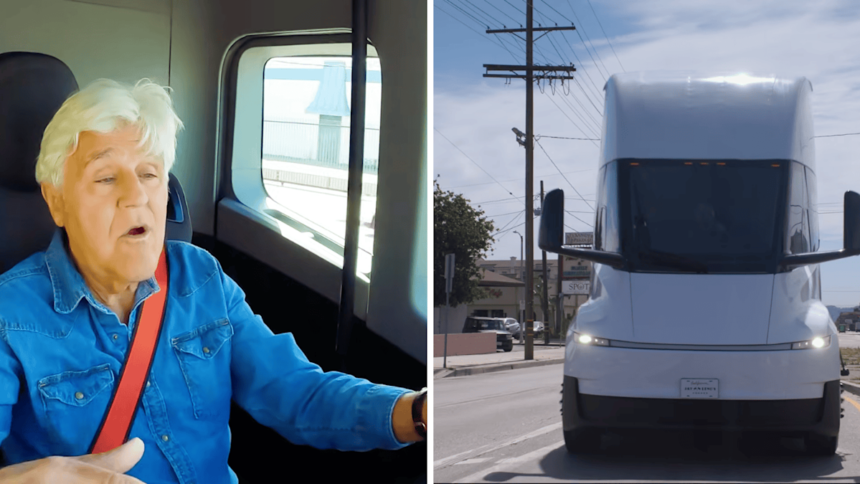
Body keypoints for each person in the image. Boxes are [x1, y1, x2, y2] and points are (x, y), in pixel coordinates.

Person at [0, 79, 427, 483]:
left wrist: (419, 411)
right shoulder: (11, 315)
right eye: (107, 177)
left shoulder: (200, 277)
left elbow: (297, 392)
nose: (136, 196)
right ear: (56, 200)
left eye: (150, 174)